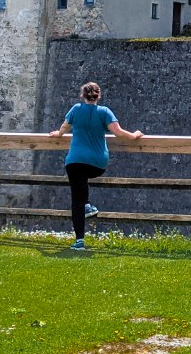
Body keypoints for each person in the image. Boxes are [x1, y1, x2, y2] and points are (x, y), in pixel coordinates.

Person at [47, 81, 143, 249]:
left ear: (82, 95)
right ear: (99, 95)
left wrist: (59, 134)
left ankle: (80, 239)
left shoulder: (76, 109)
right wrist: (135, 135)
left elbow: (64, 127)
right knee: (82, 182)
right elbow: (118, 132)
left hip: (75, 161)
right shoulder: (104, 112)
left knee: (76, 198)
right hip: (97, 163)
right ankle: (87, 205)